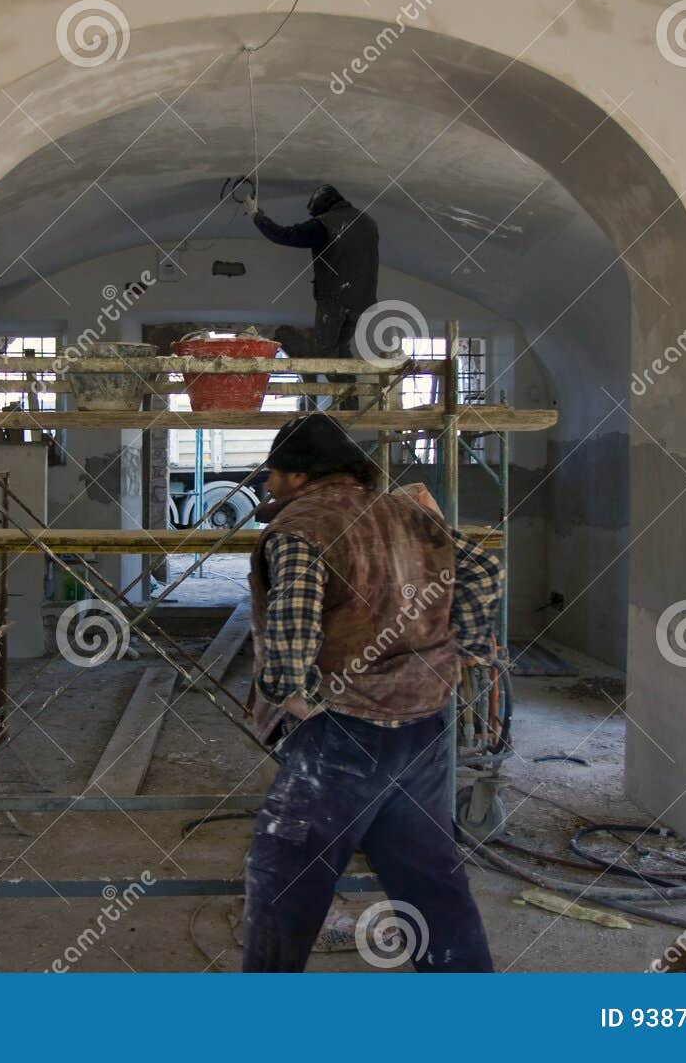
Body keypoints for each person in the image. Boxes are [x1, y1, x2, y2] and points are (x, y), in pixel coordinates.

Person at [242, 412, 498, 972]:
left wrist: (290, 691)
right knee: (428, 876)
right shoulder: (408, 512)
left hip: (343, 728)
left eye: (273, 473)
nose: (268, 484)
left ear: (298, 475)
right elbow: (482, 569)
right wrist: (464, 650)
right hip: (423, 720)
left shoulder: (301, 527)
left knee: (283, 878)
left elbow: (293, 622)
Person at [244, 184, 378, 407]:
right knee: (341, 348)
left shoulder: (326, 224)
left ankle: (347, 398)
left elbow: (285, 235)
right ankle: (350, 402)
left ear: (321, 207)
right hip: (362, 300)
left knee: (325, 350)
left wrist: (256, 215)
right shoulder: (367, 221)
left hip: (335, 298)